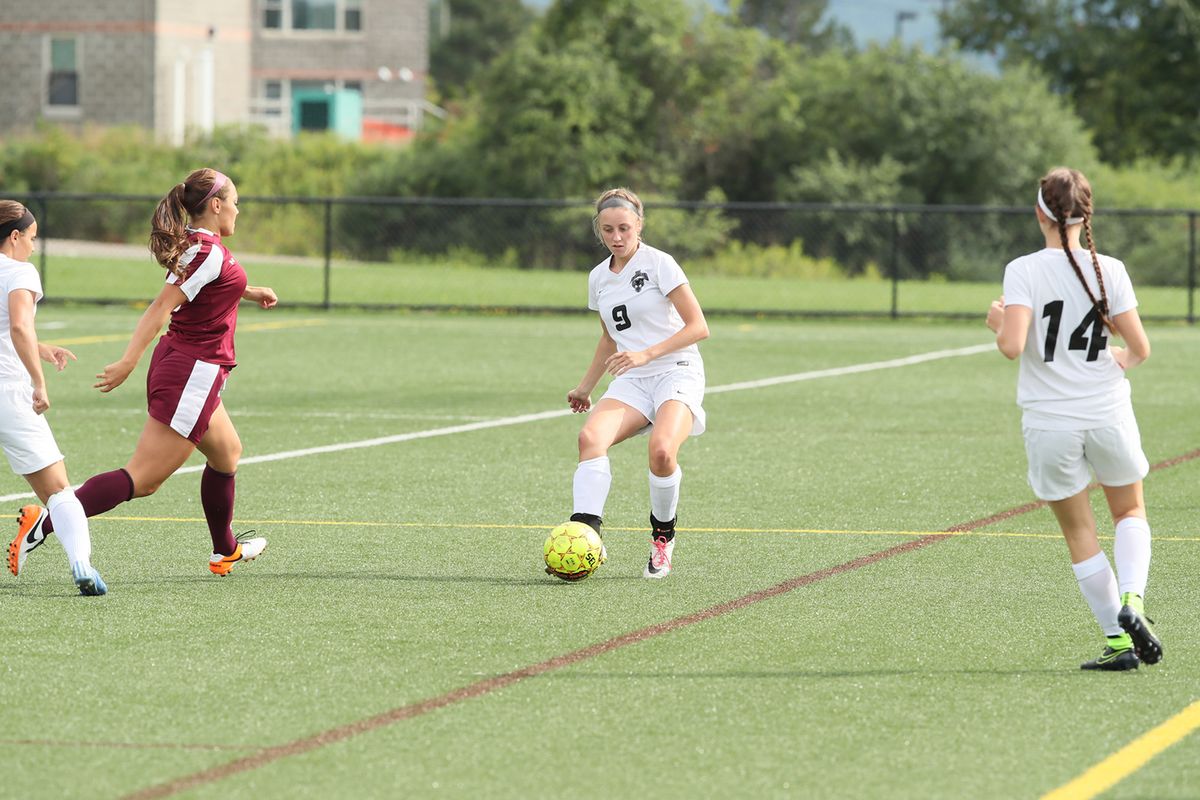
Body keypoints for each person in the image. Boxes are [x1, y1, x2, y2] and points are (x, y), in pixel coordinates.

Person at [9, 169, 277, 577]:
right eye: (236, 202)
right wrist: (128, 361)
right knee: (143, 479)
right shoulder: (208, 251)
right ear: (217, 205)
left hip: (189, 369)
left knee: (227, 453)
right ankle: (45, 522)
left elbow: (213, 281)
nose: (239, 209)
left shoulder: (206, 248)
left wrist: (251, 290)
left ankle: (224, 550)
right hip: (192, 372)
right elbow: (160, 308)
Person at [986, 166, 1160, 671]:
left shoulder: (1024, 269)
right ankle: (1134, 600)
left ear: (1040, 213)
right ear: (1086, 215)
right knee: (1129, 513)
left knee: (1080, 532)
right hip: (1107, 410)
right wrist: (1118, 360)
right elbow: (1140, 349)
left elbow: (1012, 346)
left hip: (1050, 421)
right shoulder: (1112, 269)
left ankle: (1118, 640)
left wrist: (999, 323)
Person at [566, 188, 709, 579]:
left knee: (662, 450)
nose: (617, 237)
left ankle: (662, 538)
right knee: (589, 439)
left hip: (677, 370)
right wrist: (585, 387)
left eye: (624, 228)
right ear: (599, 230)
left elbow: (699, 327)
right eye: (608, 229)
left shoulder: (661, 264)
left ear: (639, 225)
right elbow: (610, 338)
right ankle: (586, 537)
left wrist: (646, 354)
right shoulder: (598, 277)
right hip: (634, 379)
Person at [0, 201, 106, 595]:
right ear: (14, 237)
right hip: (9, 393)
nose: (32, 245)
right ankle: (82, 564)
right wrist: (38, 380)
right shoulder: (20, 271)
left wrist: (41, 348)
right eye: (30, 237)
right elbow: (17, 326)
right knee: (59, 490)